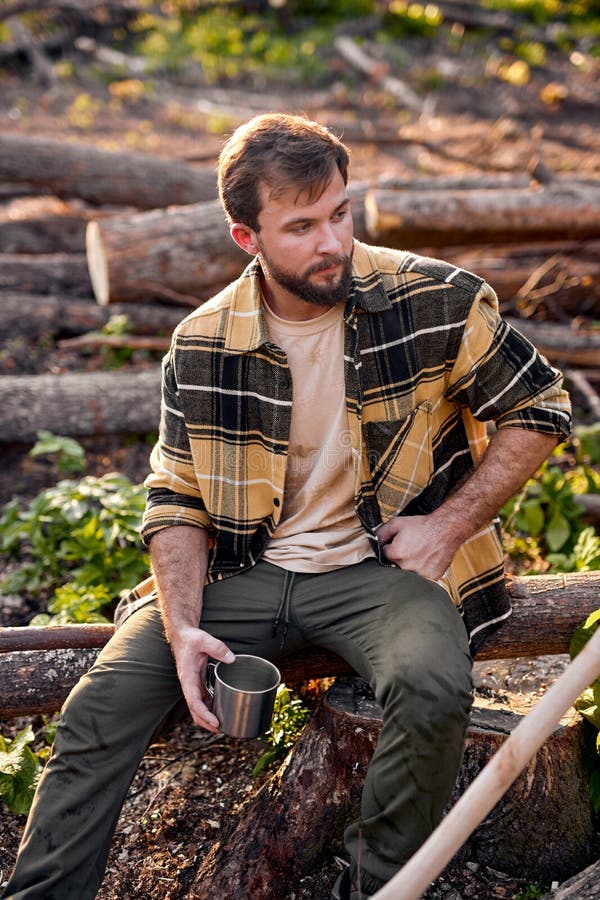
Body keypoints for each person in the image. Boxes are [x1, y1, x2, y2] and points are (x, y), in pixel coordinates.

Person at [2, 114, 571, 900]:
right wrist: (182, 623)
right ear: (248, 239)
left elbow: (540, 407)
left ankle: (382, 888)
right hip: (243, 571)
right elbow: (175, 497)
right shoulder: (203, 343)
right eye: (301, 226)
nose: (332, 241)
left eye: (339, 212)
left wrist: (448, 525)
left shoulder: (436, 298)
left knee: (435, 685)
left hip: (379, 569)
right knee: (98, 708)